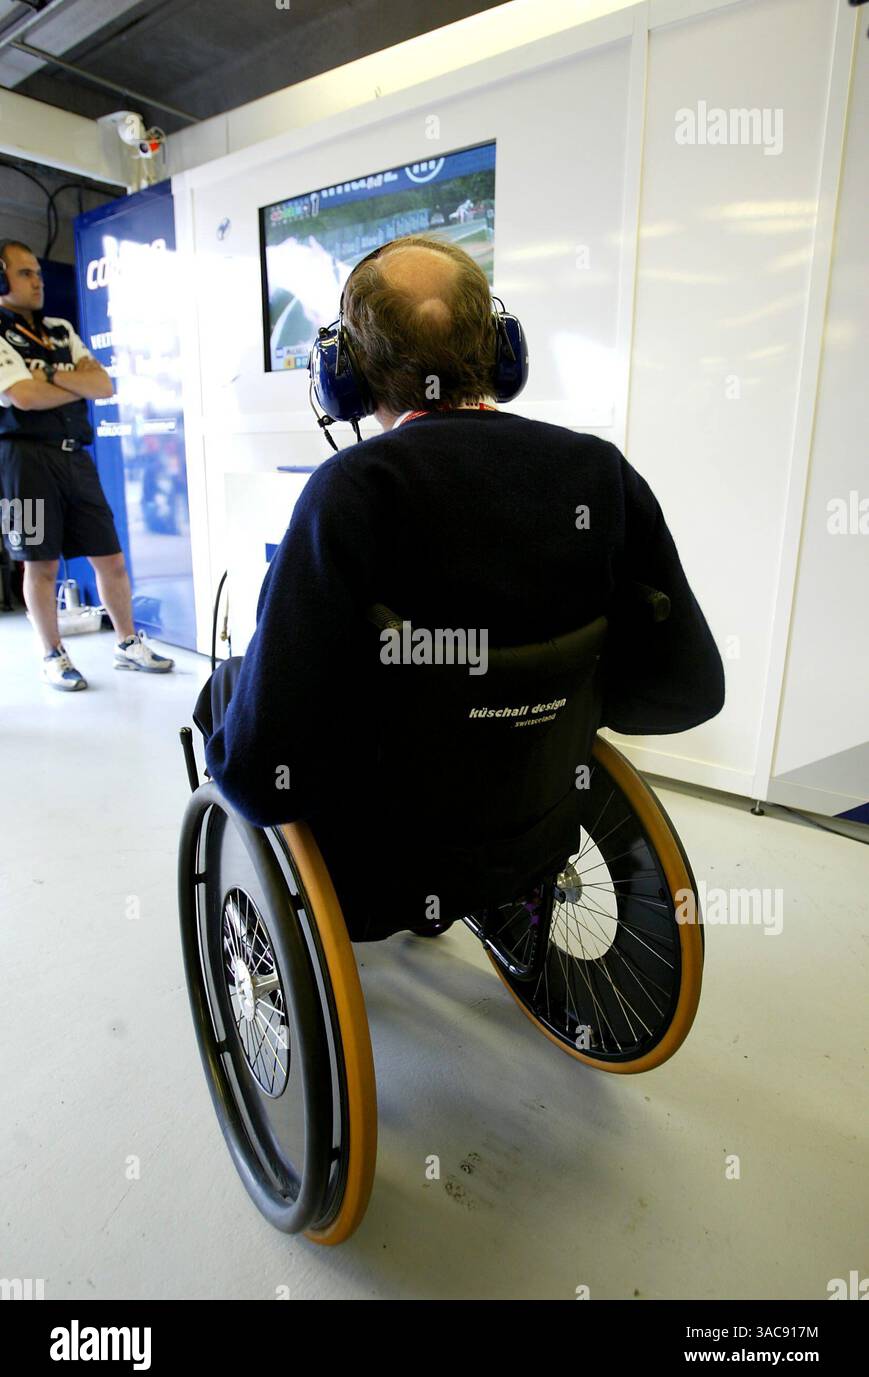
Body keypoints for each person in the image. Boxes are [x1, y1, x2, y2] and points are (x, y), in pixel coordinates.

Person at [195, 233, 725, 939]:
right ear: (499, 351)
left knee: (226, 688)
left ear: (344, 372)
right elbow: (687, 688)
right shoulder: (598, 473)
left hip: (374, 872)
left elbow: (266, 772)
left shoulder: (352, 490)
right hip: (537, 836)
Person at [0, 239, 174, 690]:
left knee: (111, 559)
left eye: (38, 272)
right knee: (39, 564)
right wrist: (72, 383)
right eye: (24, 273)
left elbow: (103, 384)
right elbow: (22, 395)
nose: (37, 281)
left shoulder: (60, 328)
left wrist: (50, 377)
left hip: (75, 456)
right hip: (23, 462)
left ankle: (126, 643)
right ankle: (52, 654)